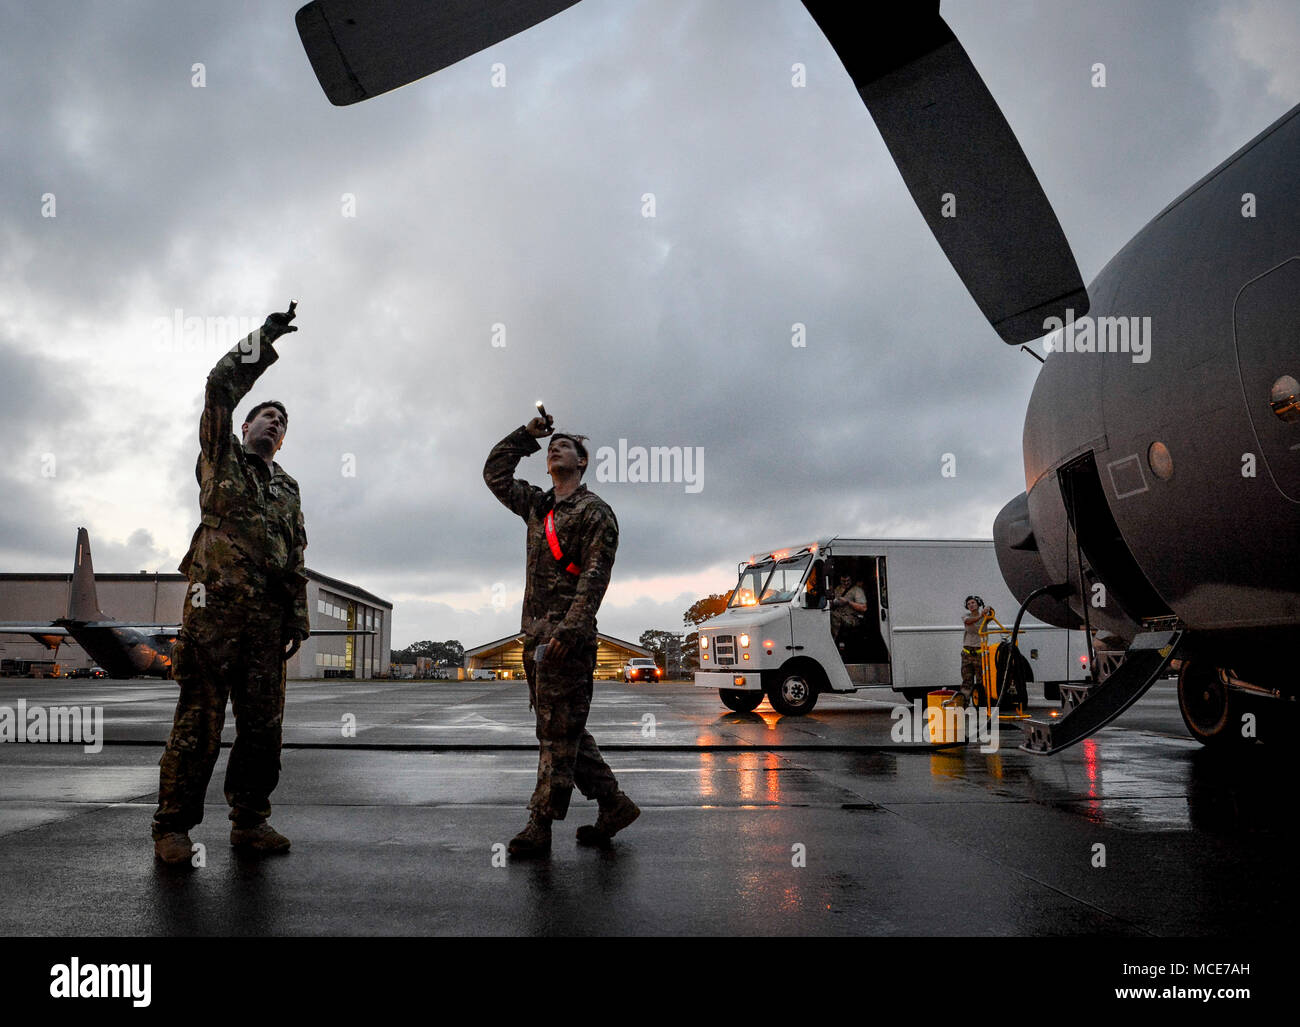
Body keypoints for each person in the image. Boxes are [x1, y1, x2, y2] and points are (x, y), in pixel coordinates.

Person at [152, 303, 310, 865]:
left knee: (264, 731)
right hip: (212, 616)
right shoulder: (221, 458)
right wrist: (265, 337)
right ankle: (172, 829)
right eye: (266, 416)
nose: (274, 423)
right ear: (244, 425)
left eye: (282, 422)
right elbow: (219, 385)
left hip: (266, 626)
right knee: (199, 725)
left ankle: (250, 821)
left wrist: (298, 617)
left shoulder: (288, 488)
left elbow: (296, 554)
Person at [484, 414, 639, 857]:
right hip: (534, 639)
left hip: (566, 642)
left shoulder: (596, 512)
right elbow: (494, 474)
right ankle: (613, 803)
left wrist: (567, 633)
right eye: (551, 446)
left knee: (556, 734)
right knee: (563, 729)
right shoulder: (539, 506)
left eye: (564, 445)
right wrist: (525, 435)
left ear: (583, 461)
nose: (555, 449)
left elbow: (595, 578)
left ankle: (540, 824)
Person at [959, 595, 990, 706]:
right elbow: (968, 621)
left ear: (978, 603)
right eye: (968, 604)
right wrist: (981, 615)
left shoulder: (985, 616)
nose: (971, 605)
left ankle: (982, 704)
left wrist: (988, 609)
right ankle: (964, 704)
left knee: (981, 680)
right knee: (967, 680)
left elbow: (991, 614)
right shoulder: (966, 616)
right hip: (967, 652)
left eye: (973, 603)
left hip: (980, 652)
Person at [830, 574, 868, 649]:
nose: (846, 583)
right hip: (839, 615)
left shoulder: (857, 590)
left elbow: (864, 608)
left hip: (852, 618)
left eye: (848, 581)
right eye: (843, 581)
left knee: (833, 616)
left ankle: (833, 643)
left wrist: (848, 602)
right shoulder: (837, 589)